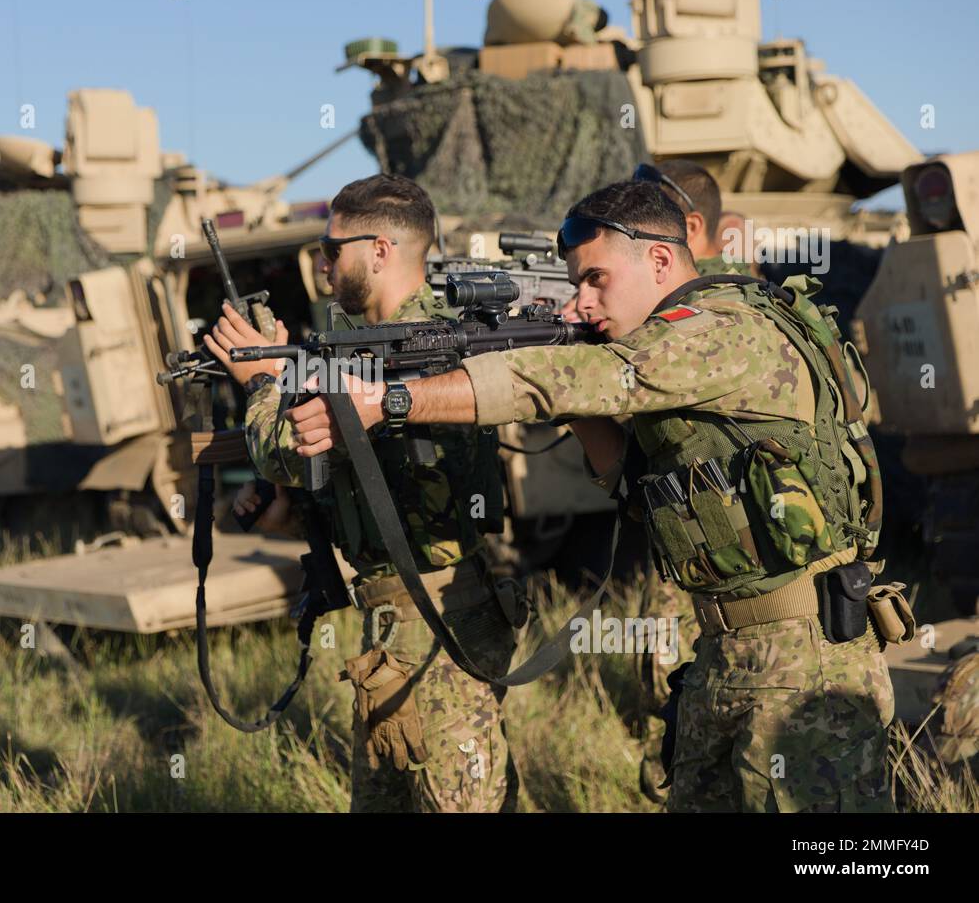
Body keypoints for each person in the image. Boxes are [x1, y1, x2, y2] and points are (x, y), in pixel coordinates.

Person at [285, 180, 895, 812]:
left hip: (806, 656)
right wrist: (571, 389)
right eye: (577, 283)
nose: (584, 300)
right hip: (723, 651)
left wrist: (390, 401)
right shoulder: (669, 349)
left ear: (660, 260)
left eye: (597, 279)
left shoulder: (722, 330)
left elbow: (601, 377)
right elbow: (637, 489)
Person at [203, 173, 520, 813]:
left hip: (432, 628)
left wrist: (262, 381)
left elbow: (287, 452)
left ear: (379, 249)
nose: (322, 265)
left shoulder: (417, 352)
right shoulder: (386, 345)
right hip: (397, 626)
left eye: (330, 248)